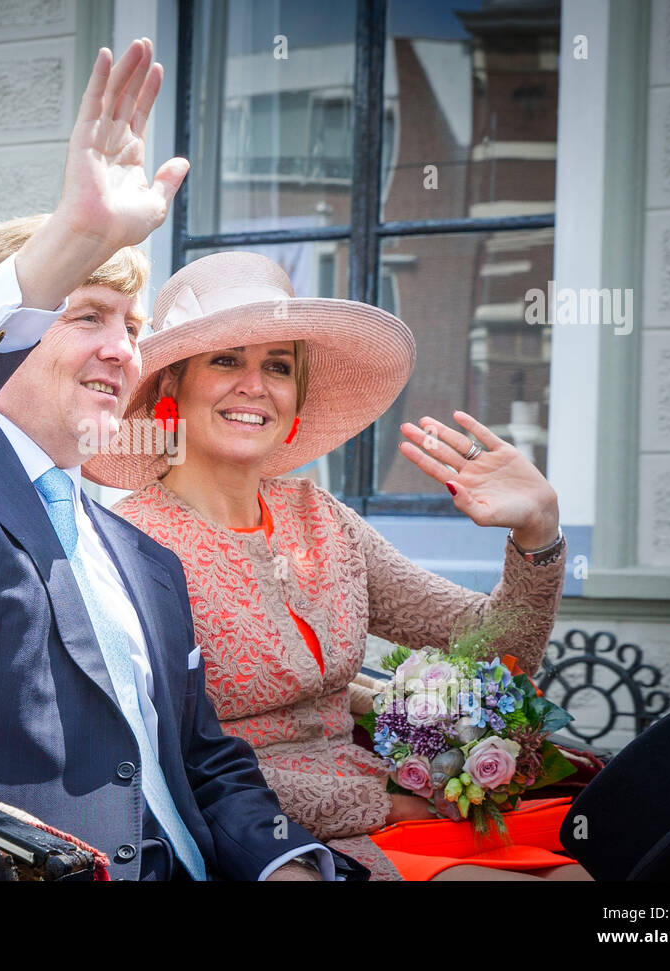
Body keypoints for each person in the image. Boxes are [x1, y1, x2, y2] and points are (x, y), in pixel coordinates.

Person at [0, 40, 340, 881]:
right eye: (88, 315)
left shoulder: (146, 558)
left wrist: (291, 866)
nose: (123, 351)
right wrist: (71, 238)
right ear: (5, 335)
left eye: (132, 328)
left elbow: (206, 761)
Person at [89, 251, 589, 880]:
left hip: (401, 812)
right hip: (275, 850)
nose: (255, 385)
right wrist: (380, 801)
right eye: (226, 361)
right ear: (171, 388)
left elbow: (490, 646)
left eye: (277, 366)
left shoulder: (320, 516)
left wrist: (536, 534)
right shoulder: (129, 542)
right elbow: (178, 761)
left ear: (295, 397)